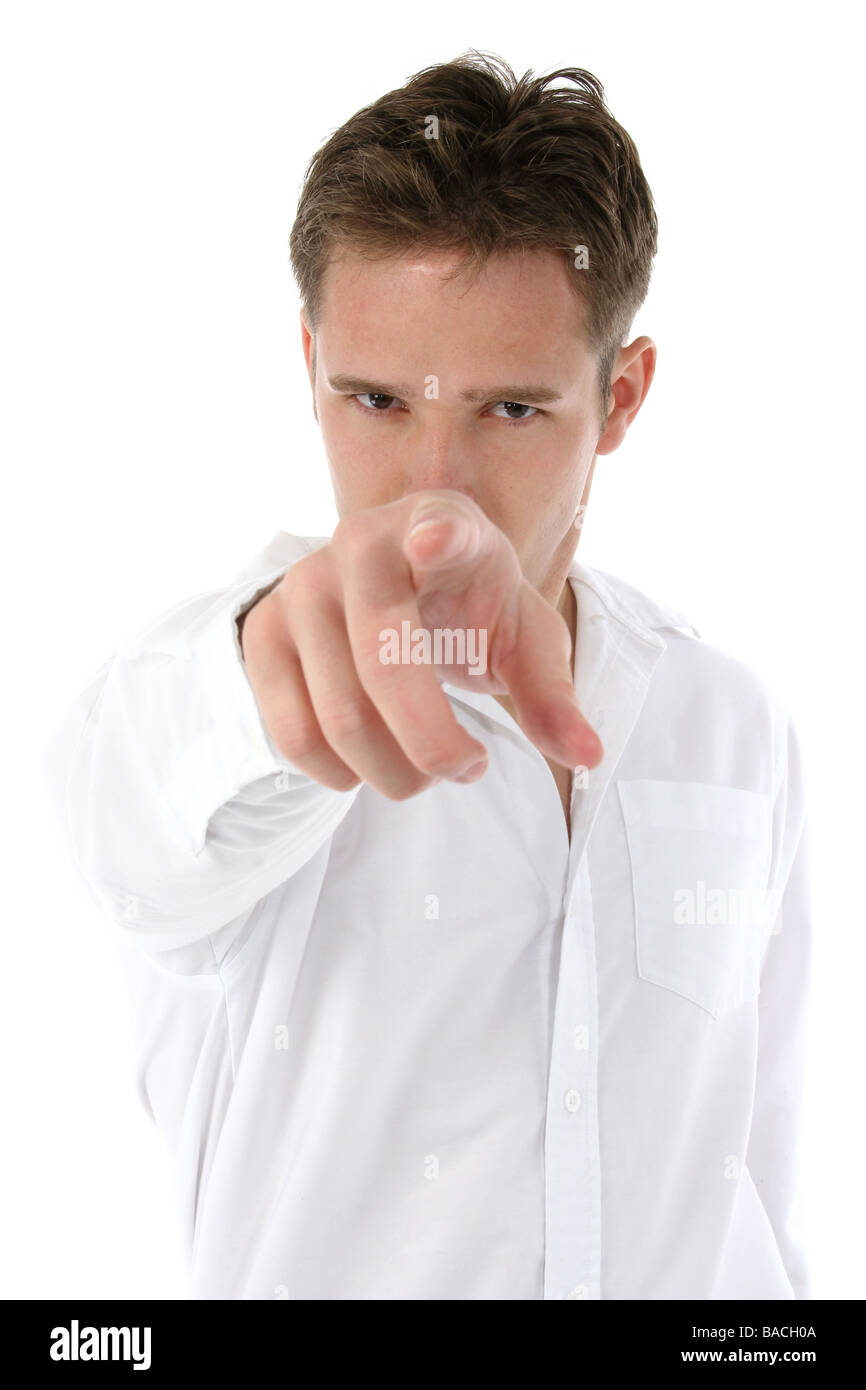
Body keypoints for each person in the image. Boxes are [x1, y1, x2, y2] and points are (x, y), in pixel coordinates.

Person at [42, 51, 813, 1300]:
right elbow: (125, 799)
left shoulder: (731, 726)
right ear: (307, 365)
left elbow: (757, 1171)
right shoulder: (241, 685)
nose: (432, 491)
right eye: (376, 400)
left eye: (510, 410)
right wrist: (260, 683)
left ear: (618, 396)